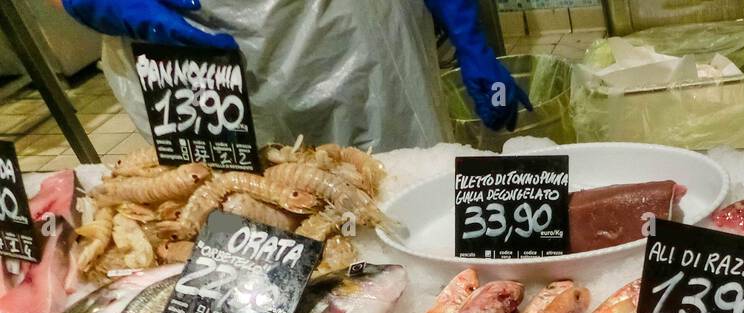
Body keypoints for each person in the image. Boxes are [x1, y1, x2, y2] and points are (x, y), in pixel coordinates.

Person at [60, 0, 531, 151]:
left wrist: (470, 39)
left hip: (362, 41)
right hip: (196, 56)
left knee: (399, 196)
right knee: (248, 222)